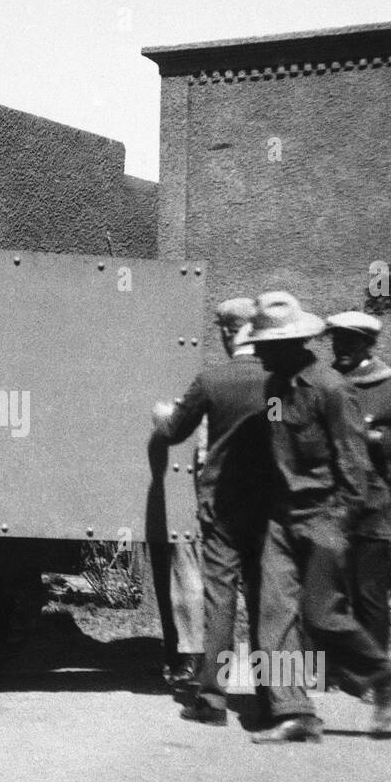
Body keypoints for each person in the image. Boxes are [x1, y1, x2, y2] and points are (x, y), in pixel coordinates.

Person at [247, 291, 391, 744]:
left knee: (322, 616)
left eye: (265, 343)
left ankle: (383, 673)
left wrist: (336, 521)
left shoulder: (332, 391)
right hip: (282, 518)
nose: (257, 350)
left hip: (324, 515)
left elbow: (355, 466)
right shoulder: (274, 386)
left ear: (292, 343)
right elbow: (278, 446)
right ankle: (295, 712)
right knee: (274, 615)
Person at [152, 297, 270, 725]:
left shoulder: (213, 380)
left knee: (220, 601)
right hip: (271, 509)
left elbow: (174, 429)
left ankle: (212, 700)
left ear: (227, 332)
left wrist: (160, 416)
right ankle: (275, 698)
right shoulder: (283, 381)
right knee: (267, 601)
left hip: (223, 508)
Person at [327, 311, 391, 650]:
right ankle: (326, 667)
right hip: (325, 500)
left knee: (368, 591)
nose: (341, 347)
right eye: (337, 340)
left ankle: (372, 670)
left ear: (368, 344)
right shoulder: (320, 380)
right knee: (327, 589)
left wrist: (375, 438)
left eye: (350, 341)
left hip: (371, 504)